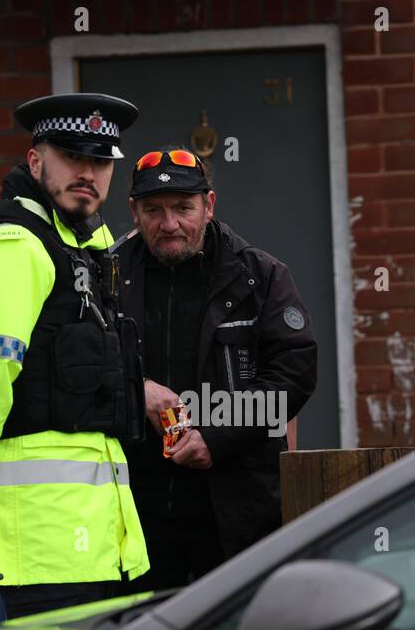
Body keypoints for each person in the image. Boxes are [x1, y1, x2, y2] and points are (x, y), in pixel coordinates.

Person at [0, 92, 150, 619]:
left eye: (100, 160)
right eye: (72, 157)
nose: (87, 172)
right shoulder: (11, 244)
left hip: (102, 543)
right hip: (47, 544)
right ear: (35, 161)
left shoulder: (83, 247)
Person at [111, 145, 317, 591]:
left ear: (209, 205)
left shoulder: (260, 276)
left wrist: (218, 438)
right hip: (130, 516)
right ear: (134, 212)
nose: (169, 225)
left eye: (183, 208)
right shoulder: (106, 277)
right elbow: (75, 366)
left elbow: (292, 374)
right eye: (154, 210)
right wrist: (136, 388)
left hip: (235, 510)